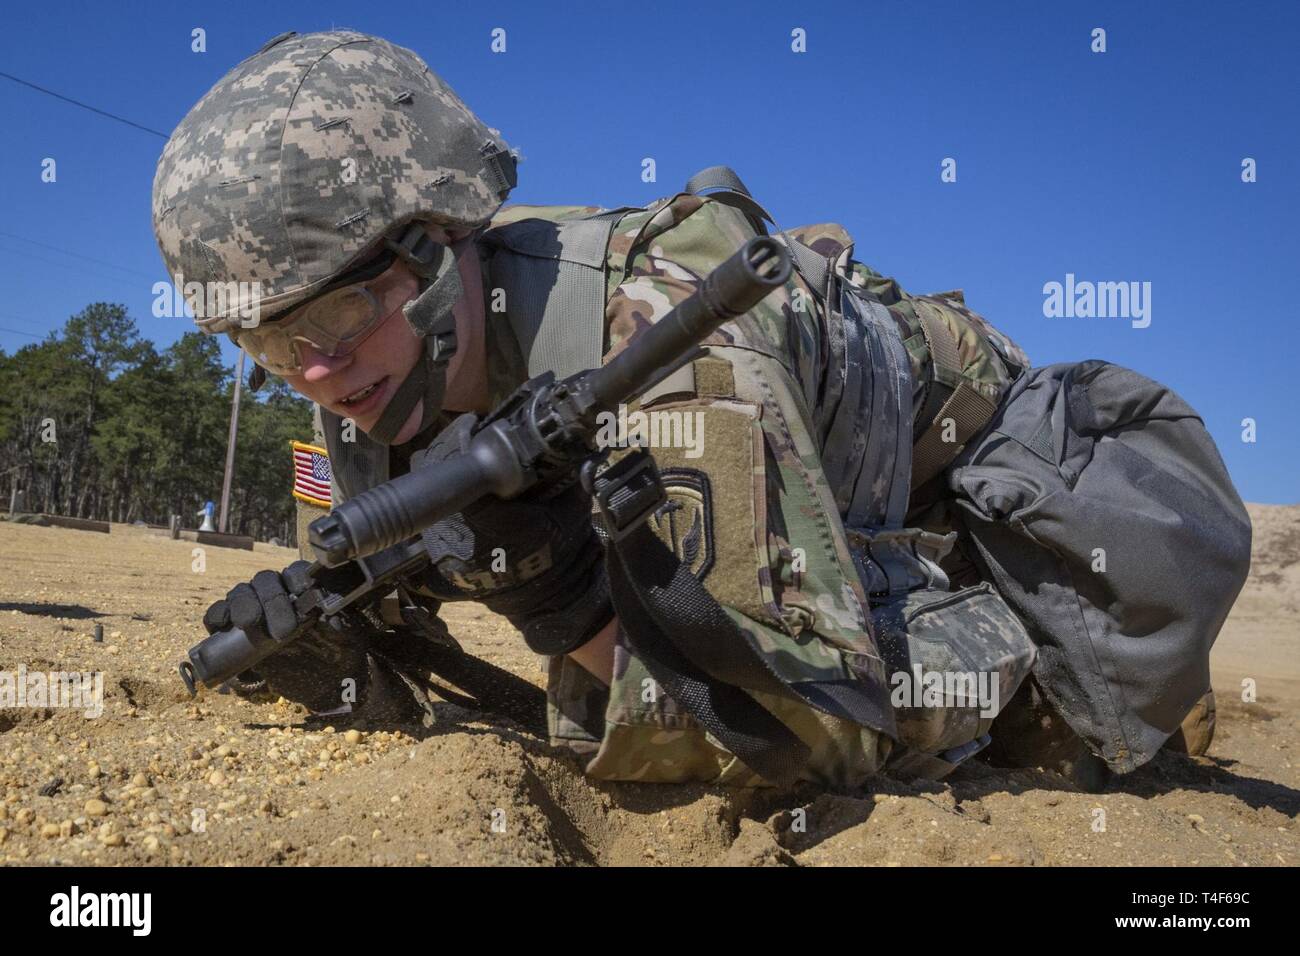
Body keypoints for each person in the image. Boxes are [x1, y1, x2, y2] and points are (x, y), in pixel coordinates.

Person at [153, 30, 1222, 790]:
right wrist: (325, 652)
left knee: (917, 705)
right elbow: (386, 655)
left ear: (435, 248)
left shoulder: (662, 321)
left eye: (336, 309)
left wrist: (564, 602)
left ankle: (1073, 675)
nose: (315, 372)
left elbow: (812, 732)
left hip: (964, 471)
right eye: (264, 341)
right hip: (769, 478)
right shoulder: (352, 398)